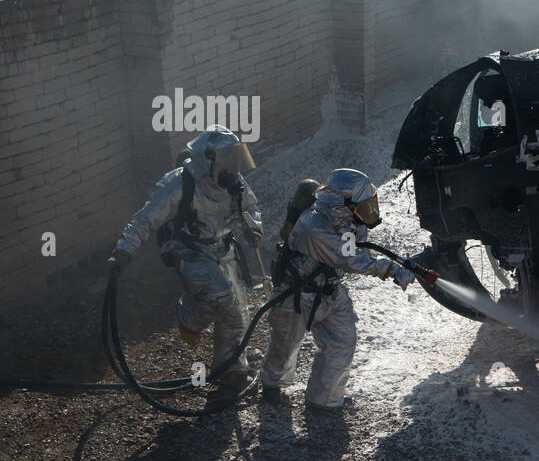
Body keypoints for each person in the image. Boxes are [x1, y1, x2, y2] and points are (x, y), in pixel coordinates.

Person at [261, 168, 437, 412]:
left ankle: (325, 399)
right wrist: (392, 270)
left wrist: (395, 266)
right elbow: (351, 258)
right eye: (363, 205)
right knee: (286, 344)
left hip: (329, 289)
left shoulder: (348, 220)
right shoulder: (314, 226)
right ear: (343, 203)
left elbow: (359, 249)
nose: (368, 211)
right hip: (296, 293)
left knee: (343, 341)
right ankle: (271, 386)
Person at [108, 125, 263, 391]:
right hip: (187, 248)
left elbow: (251, 209)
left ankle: (231, 371)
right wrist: (123, 251)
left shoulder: (235, 184)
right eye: (227, 160)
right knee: (220, 295)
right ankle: (188, 318)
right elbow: (144, 220)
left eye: (235, 159)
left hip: (223, 247)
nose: (233, 167)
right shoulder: (179, 183)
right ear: (208, 160)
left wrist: (254, 228)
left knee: (237, 312)